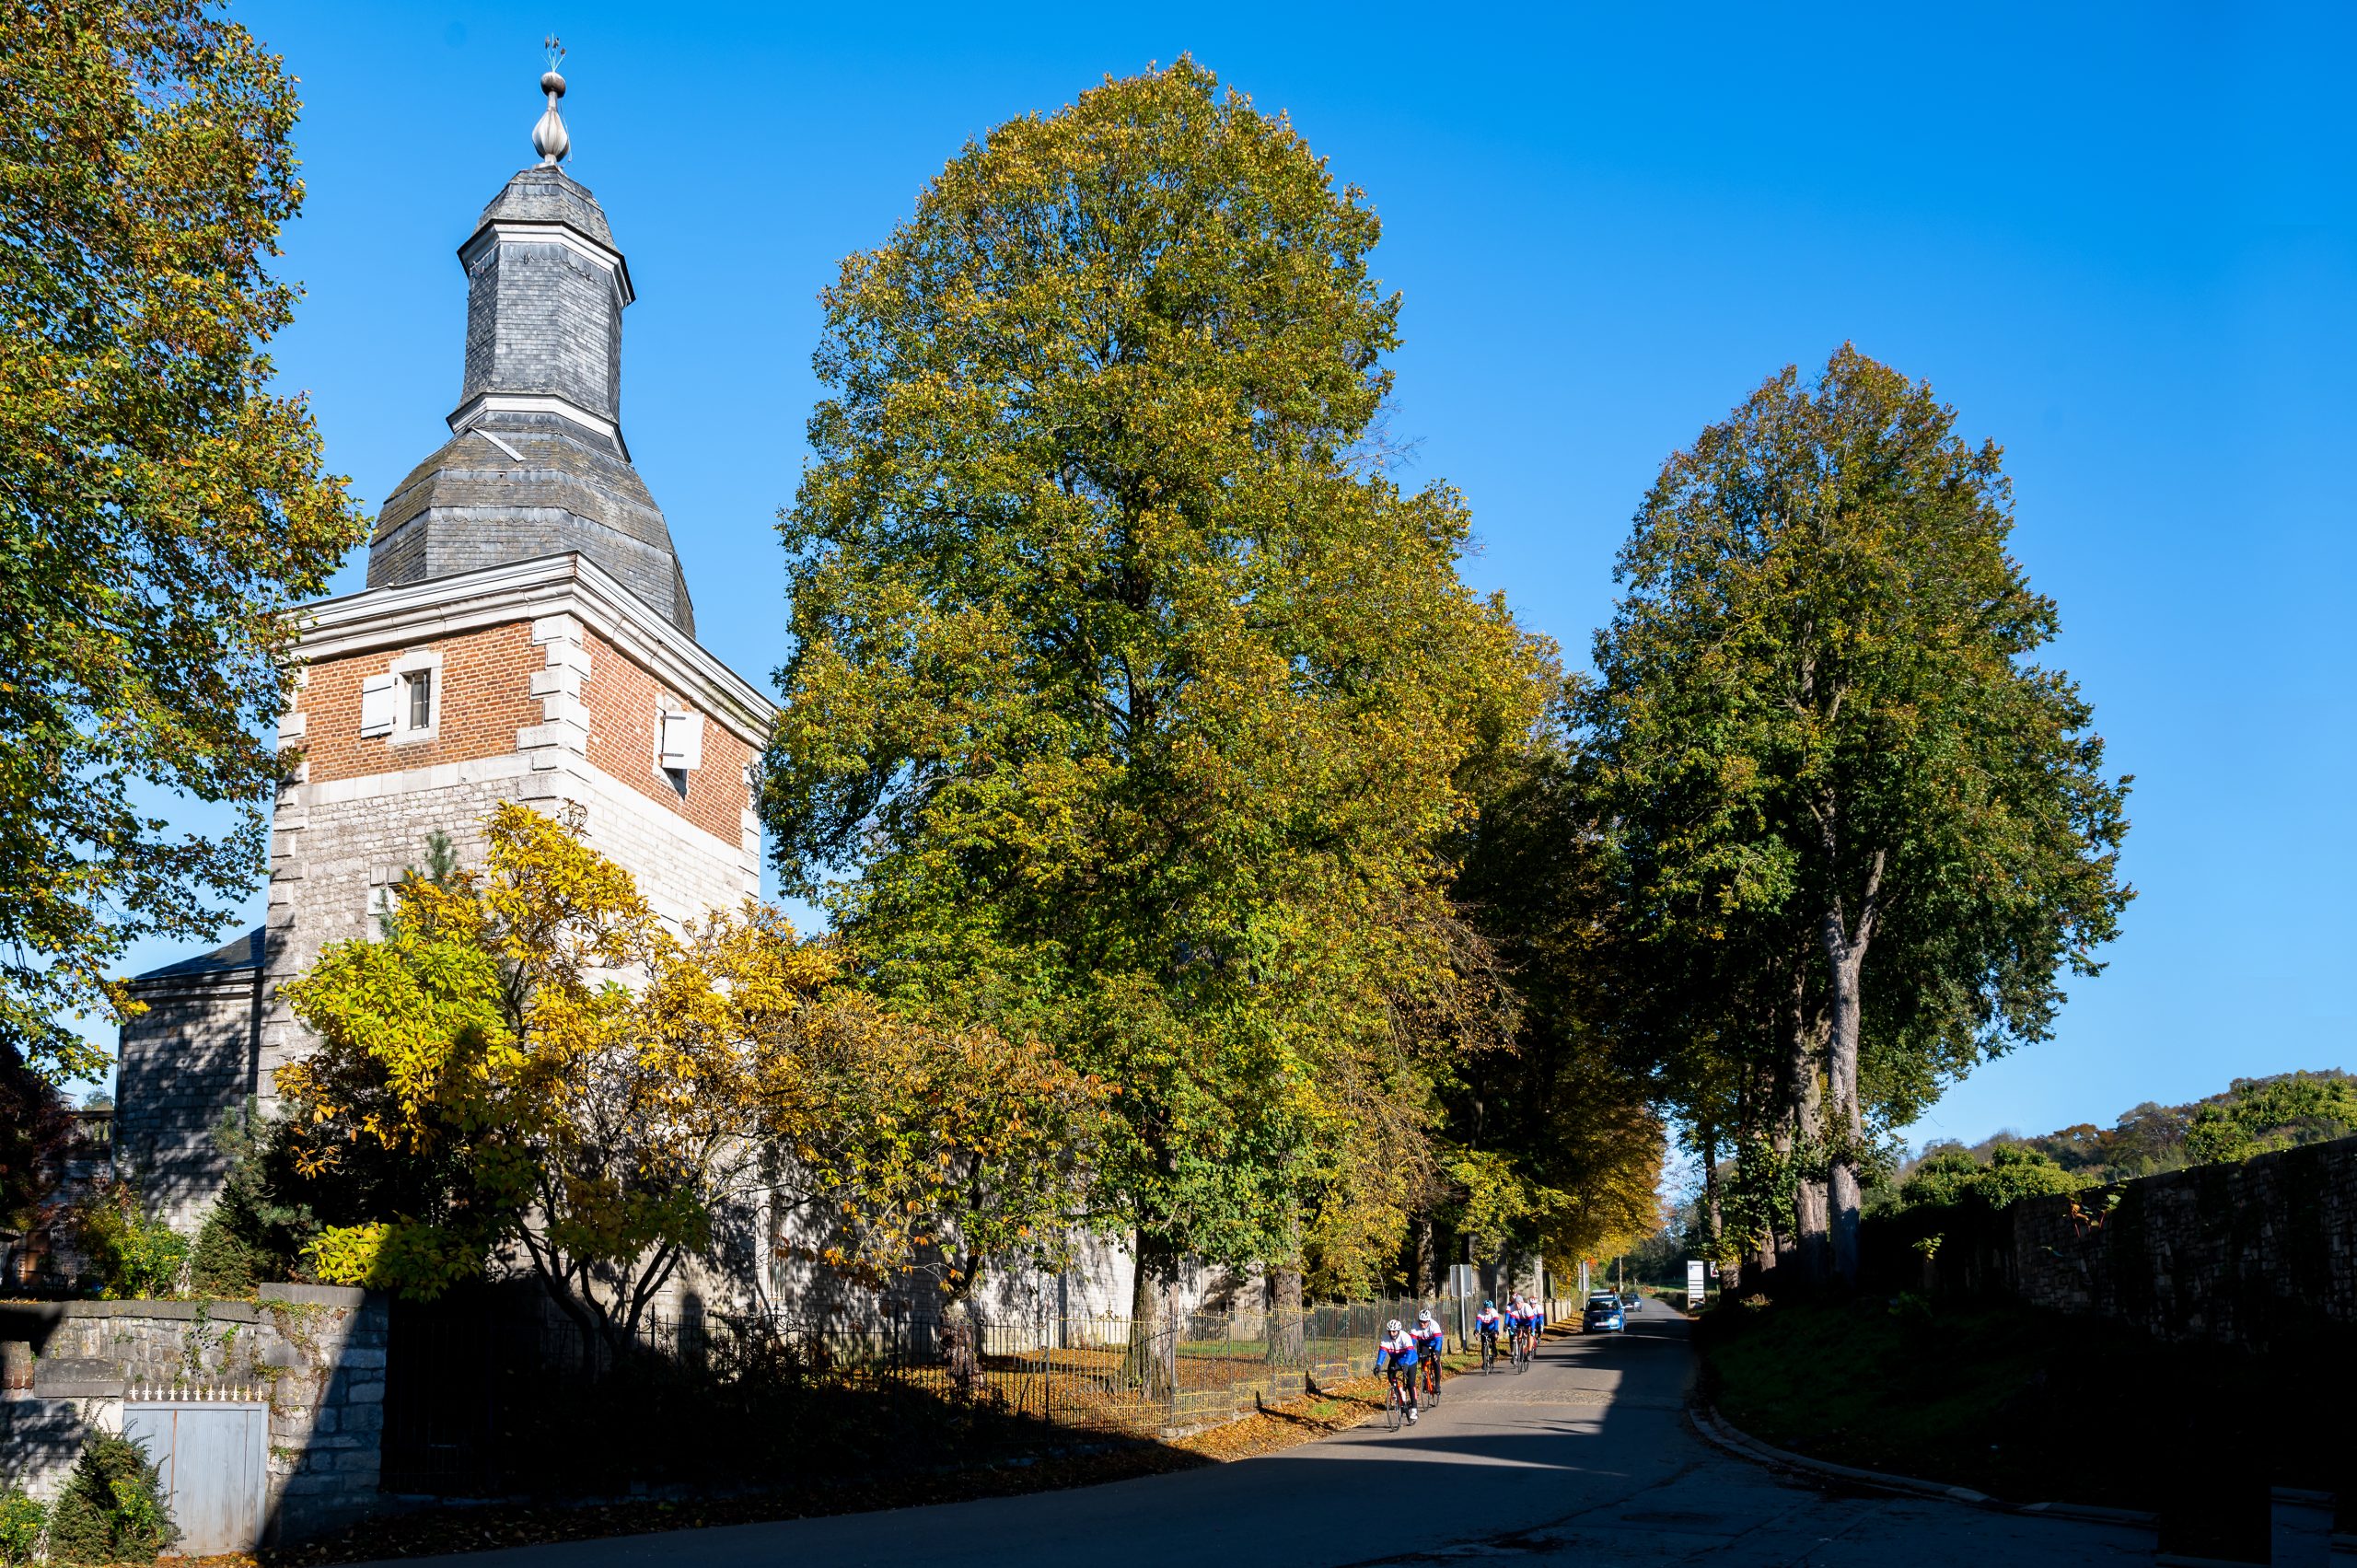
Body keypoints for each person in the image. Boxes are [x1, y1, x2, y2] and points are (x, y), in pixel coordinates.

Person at [1376, 1318, 1420, 1423]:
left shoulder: (1405, 1337)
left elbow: (1409, 1352)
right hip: (1396, 1359)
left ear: (1399, 1331)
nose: (1392, 1333)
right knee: (1391, 1376)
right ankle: (1398, 1391)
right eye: (1390, 1331)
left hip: (1410, 1360)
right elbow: (1382, 1352)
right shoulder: (1386, 1338)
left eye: (1394, 1331)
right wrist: (1378, 1365)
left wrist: (1406, 1364)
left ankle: (1414, 1409)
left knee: (1410, 1383)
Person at [1411, 1309, 1446, 1397]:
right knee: (1422, 1359)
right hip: (1424, 1344)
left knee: (1435, 1360)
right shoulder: (1415, 1325)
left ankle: (1437, 1385)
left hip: (1435, 1344)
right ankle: (1425, 1380)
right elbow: (1412, 1342)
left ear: (1429, 1321)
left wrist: (1437, 1352)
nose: (1422, 1324)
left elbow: (1439, 1341)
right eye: (1421, 1322)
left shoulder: (1434, 1325)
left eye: (1425, 1322)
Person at [1473, 1298, 1504, 1364]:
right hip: (1484, 1328)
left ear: (1491, 1308)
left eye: (1488, 1308)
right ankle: (1484, 1362)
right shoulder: (1481, 1312)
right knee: (1483, 1345)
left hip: (1492, 1328)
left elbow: (1496, 1323)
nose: (1487, 1309)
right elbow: (1478, 1323)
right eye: (1485, 1308)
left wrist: (1496, 1331)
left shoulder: (1494, 1312)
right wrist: (1476, 1330)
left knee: (1493, 1340)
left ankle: (1494, 1347)